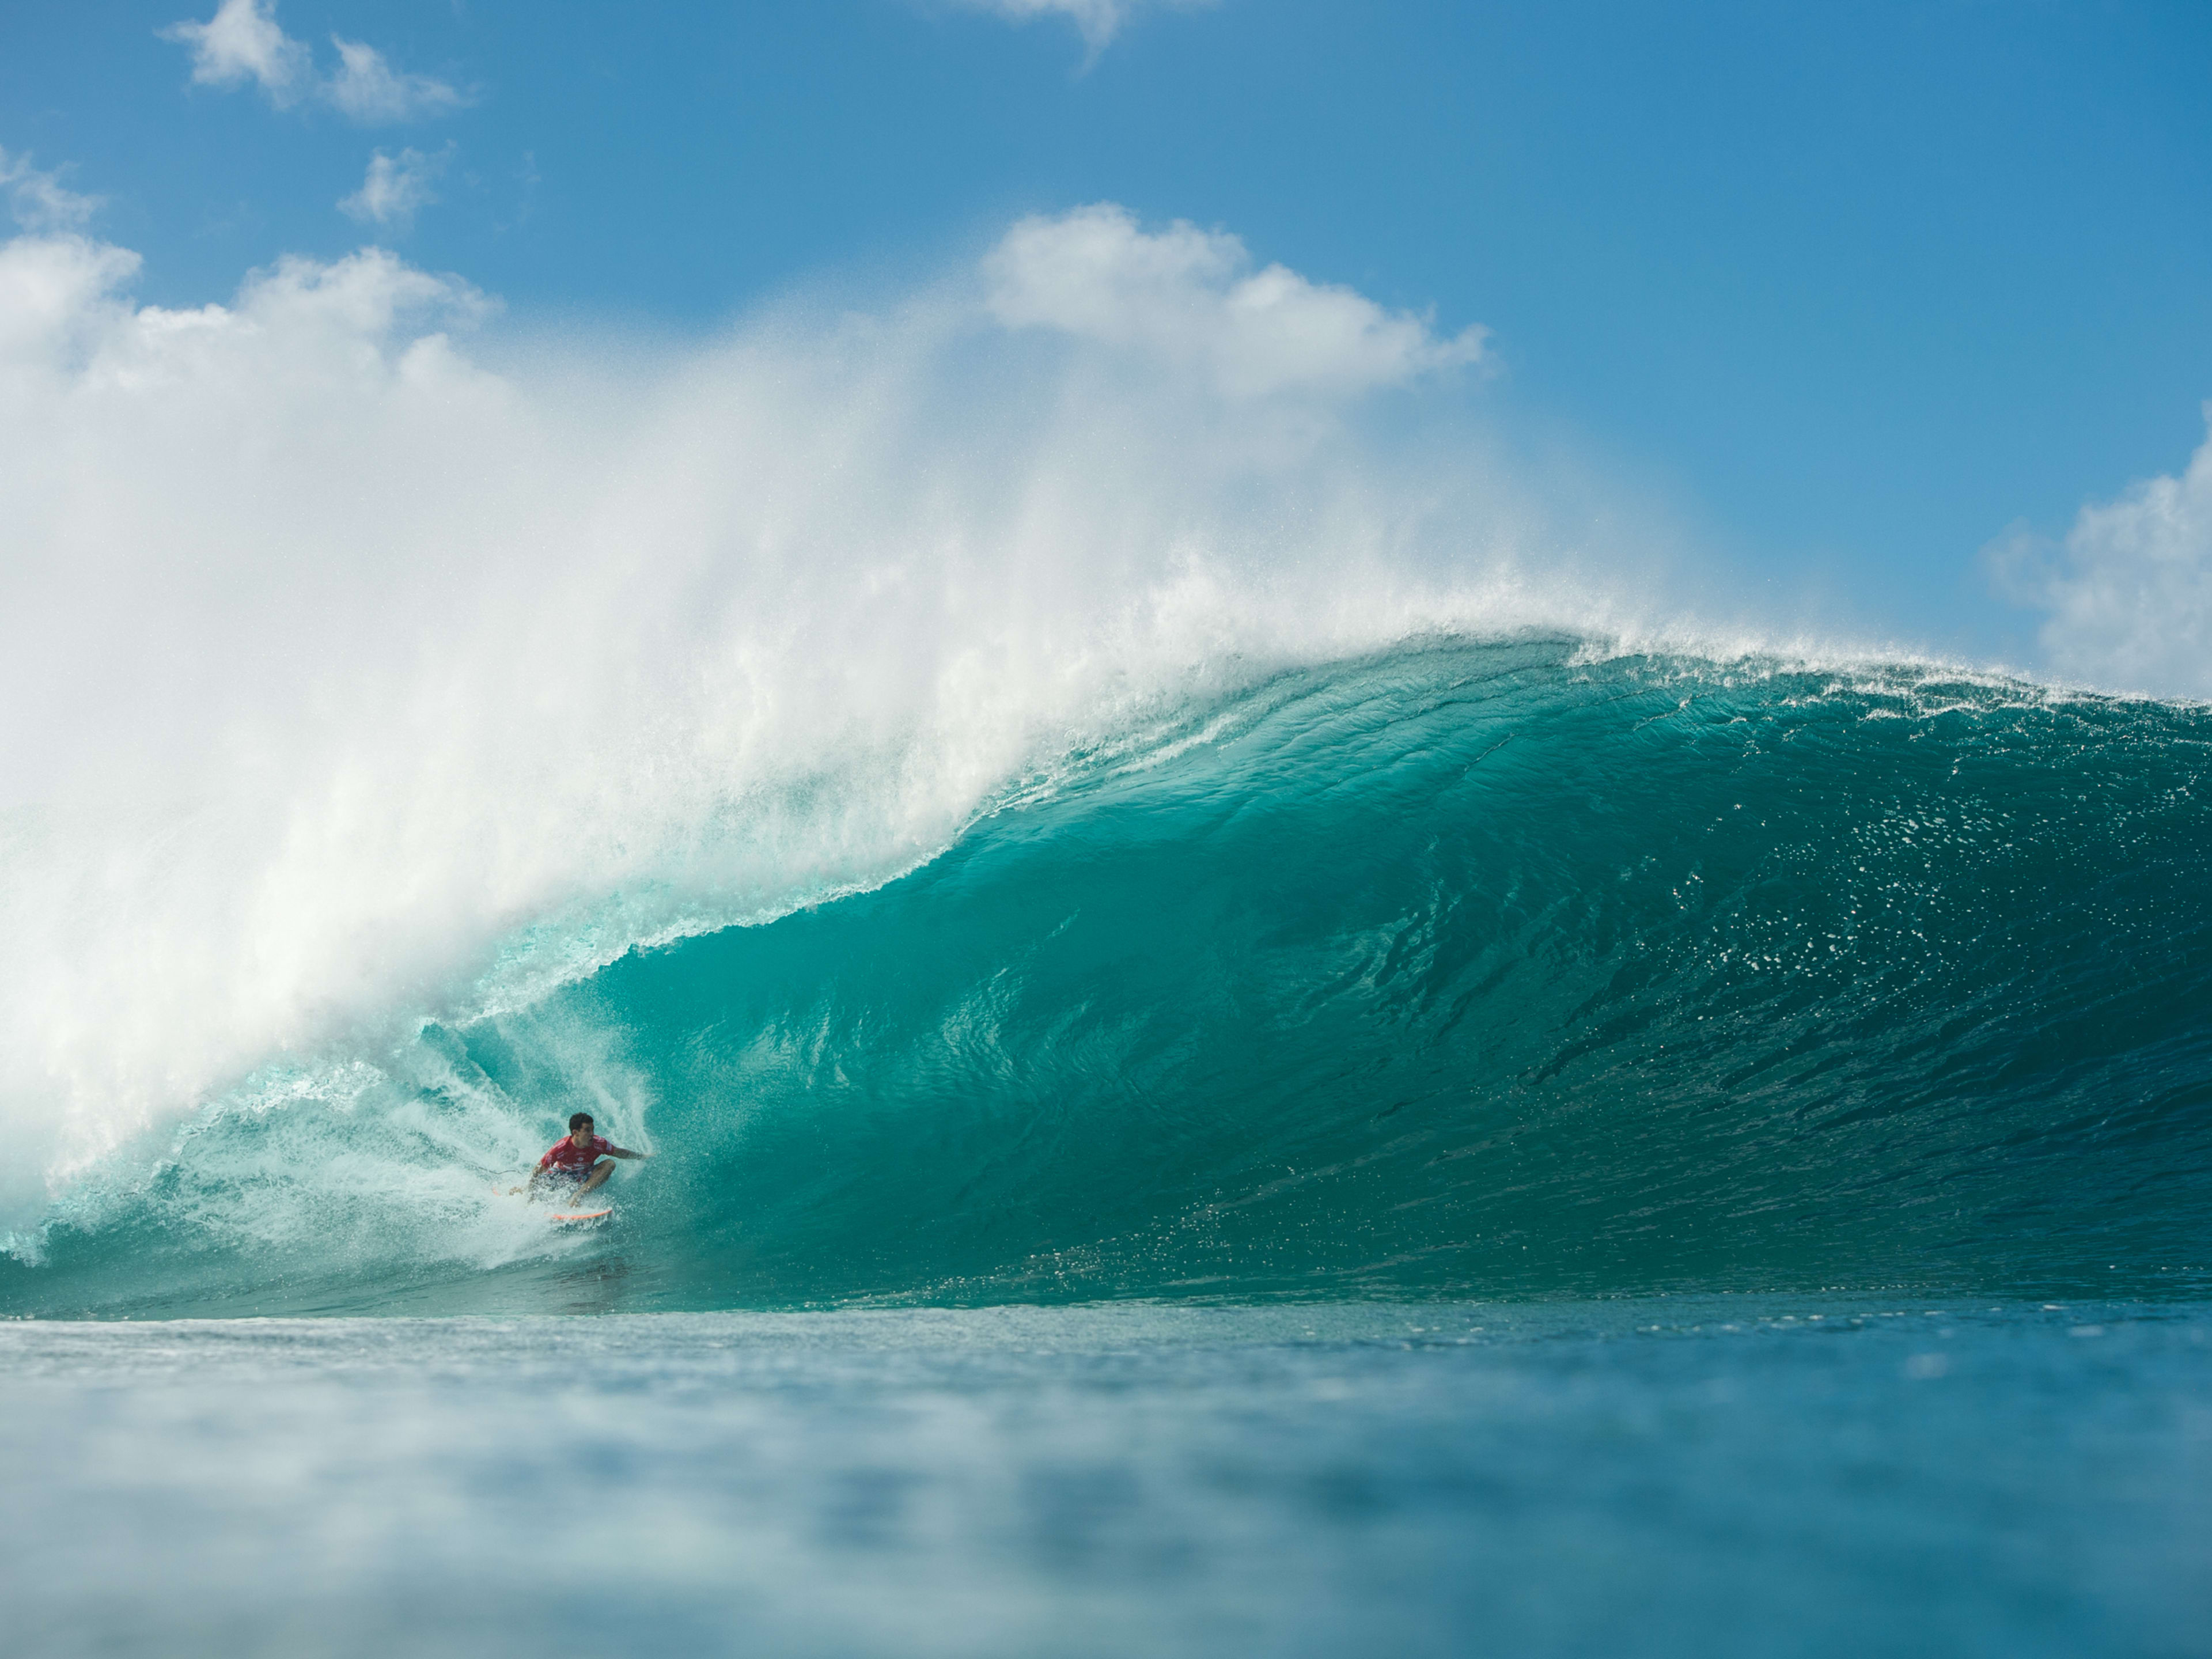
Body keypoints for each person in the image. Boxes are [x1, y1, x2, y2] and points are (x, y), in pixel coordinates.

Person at [518, 1112, 649, 1205]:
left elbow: (619, 1152)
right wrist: (529, 1197)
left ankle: (577, 1197)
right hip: (562, 1174)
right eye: (587, 1130)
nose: (592, 1134)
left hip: (585, 1174)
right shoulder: (561, 1148)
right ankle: (521, 1191)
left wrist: (641, 1157)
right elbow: (538, 1170)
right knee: (538, 1185)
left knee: (610, 1164)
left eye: (592, 1129)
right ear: (576, 1133)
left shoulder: (599, 1143)